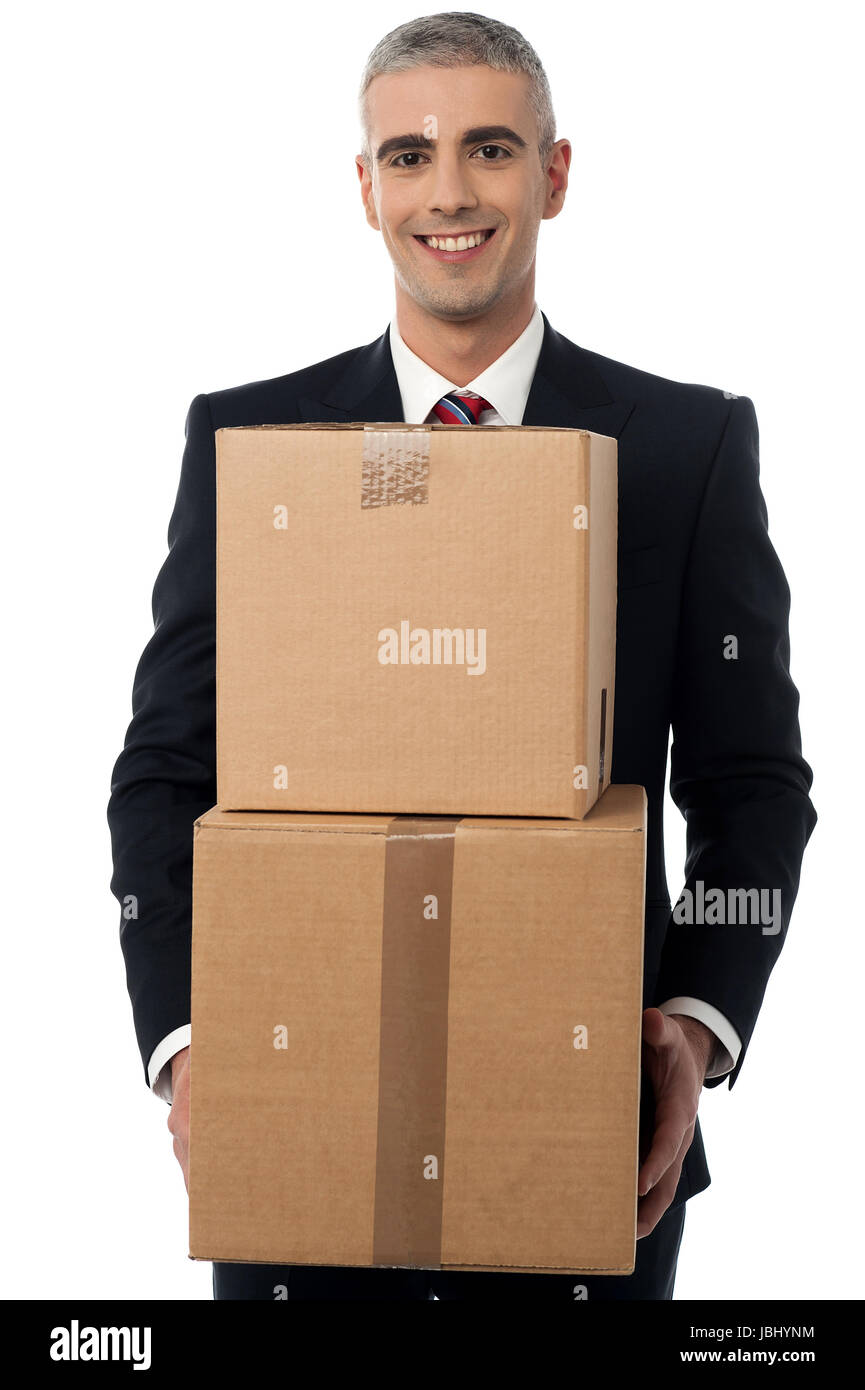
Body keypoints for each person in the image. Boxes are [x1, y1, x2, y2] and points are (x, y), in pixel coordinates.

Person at [107, 11, 816, 1301]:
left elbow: (756, 787)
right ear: (364, 186)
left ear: (553, 174)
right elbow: (165, 769)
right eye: (411, 153)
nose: (449, 192)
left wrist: (697, 1026)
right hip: (305, 1120)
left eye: (490, 149)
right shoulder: (256, 444)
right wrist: (188, 1043)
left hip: (587, 1130)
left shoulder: (683, 447)